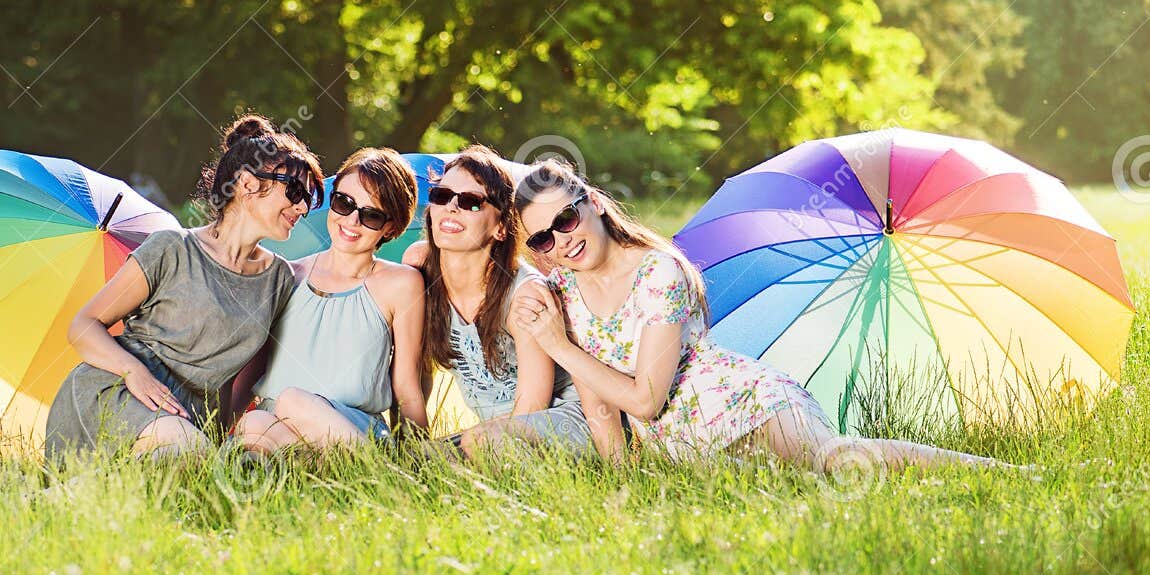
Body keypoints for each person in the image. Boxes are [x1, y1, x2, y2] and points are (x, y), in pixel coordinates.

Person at [511, 159, 1007, 474]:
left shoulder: (658, 273)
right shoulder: (562, 294)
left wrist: (558, 346)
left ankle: (995, 473)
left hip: (749, 406)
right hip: (692, 452)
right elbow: (599, 407)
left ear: (593, 203)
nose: (562, 240)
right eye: (542, 238)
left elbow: (644, 399)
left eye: (566, 219)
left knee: (832, 461)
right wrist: (623, 489)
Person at [43, 114, 322, 461]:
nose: (301, 206)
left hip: (185, 418)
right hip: (119, 390)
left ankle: (64, 497)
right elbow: (83, 325)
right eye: (294, 191)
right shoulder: (171, 248)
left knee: (194, 474)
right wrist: (135, 373)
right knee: (189, 455)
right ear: (249, 185)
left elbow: (244, 378)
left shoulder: (279, 278)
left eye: (308, 198)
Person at [401, 146, 593, 459]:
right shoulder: (419, 267)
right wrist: (413, 442)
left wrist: (472, 448)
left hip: (563, 421)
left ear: (501, 227)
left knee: (477, 446)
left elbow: (533, 405)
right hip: (490, 433)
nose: (451, 207)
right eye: (441, 195)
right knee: (413, 463)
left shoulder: (525, 293)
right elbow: (416, 368)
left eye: (470, 202)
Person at [232, 148, 428, 451]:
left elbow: (406, 386)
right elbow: (252, 368)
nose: (352, 221)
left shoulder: (401, 284)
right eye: (343, 203)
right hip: (276, 426)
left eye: (372, 215)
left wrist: (417, 455)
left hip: (351, 429)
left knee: (292, 399)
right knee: (253, 423)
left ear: (390, 226)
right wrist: (215, 430)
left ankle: (382, 469)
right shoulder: (288, 275)